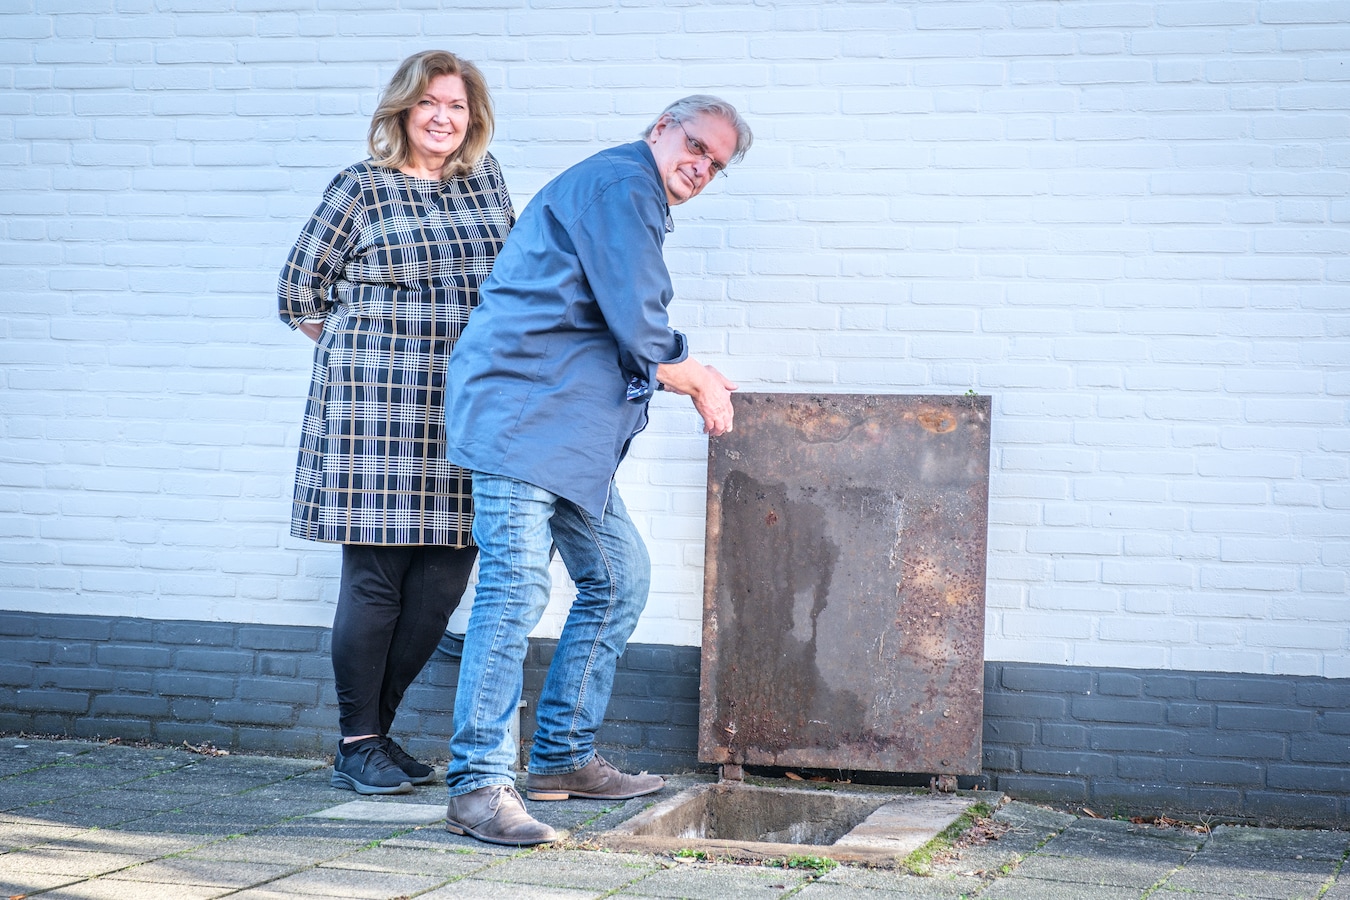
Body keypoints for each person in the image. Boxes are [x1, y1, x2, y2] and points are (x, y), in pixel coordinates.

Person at [441, 95, 753, 845]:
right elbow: (636, 316)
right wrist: (697, 375)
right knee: (515, 589)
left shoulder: (628, 191)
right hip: (526, 418)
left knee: (620, 579)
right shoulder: (623, 186)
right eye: (695, 145)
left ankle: (560, 757)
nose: (701, 166)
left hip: (566, 434)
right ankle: (479, 786)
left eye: (716, 162)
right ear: (659, 130)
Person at [277, 50, 514, 796]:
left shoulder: (487, 183)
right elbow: (298, 294)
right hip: (375, 411)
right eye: (430, 104)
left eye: (457, 106)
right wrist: (365, 354)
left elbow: (512, 283)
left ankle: (369, 736)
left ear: (472, 118)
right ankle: (359, 740)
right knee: (377, 576)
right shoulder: (360, 187)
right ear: (402, 112)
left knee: (444, 578)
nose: (444, 118)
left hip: (466, 408)